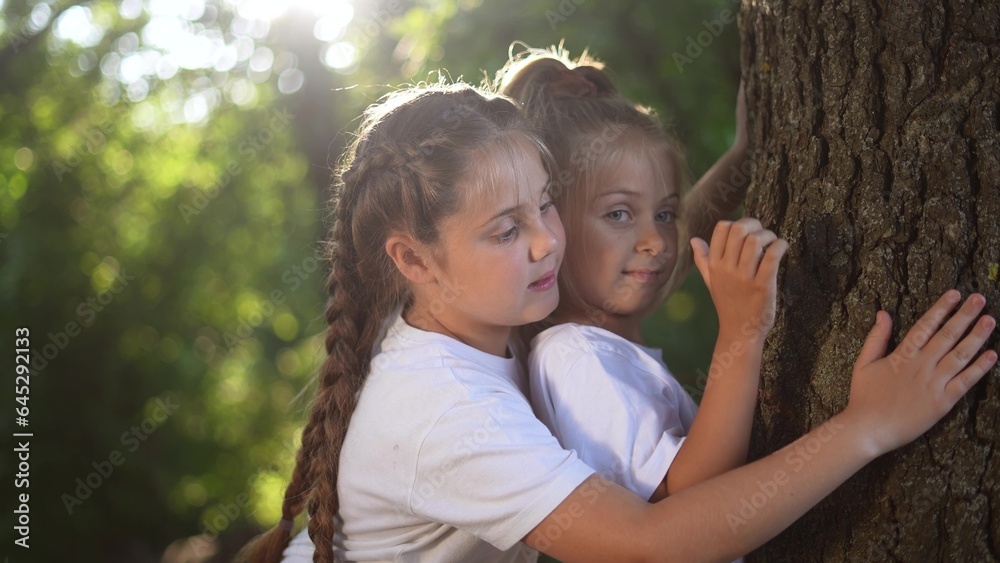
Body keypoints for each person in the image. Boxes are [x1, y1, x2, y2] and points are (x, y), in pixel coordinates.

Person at [239, 80, 996, 563]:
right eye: (506, 230)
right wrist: (867, 426)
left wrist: (738, 161)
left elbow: (620, 255)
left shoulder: (482, 308)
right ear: (414, 259)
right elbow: (653, 542)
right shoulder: (445, 411)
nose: (545, 239)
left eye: (543, 202)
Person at [499, 46, 785, 503]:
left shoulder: (601, 334)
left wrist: (745, 155)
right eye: (617, 213)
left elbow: (683, 236)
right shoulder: (578, 357)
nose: (656, 240)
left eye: (665, 213)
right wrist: (743, 332)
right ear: (551, 231)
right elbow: (687, 502)